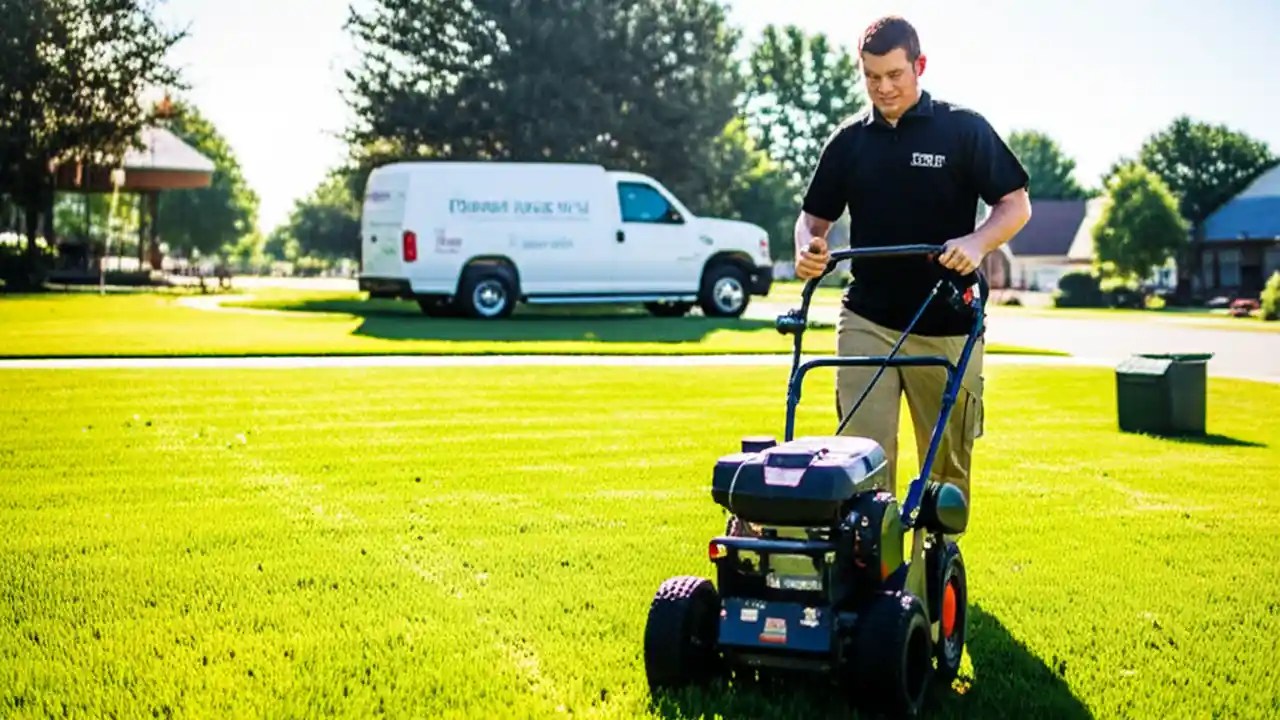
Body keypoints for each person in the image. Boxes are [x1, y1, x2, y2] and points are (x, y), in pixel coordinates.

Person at [794, 16, 1031, 518]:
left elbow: (1015, 204)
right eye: (872, 77)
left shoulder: (963, 129)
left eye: (895, 75)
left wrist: (978, 242)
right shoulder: (848, 142)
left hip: (947, 321)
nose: (883, 87)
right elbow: (813, 218)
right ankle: (869, 573)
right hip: (867, 320)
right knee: (859, 459)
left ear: (919, 66)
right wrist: (809, 247)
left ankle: (936, 572)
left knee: (946, 471)